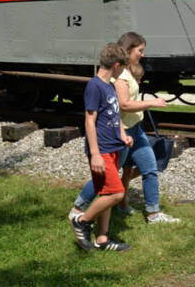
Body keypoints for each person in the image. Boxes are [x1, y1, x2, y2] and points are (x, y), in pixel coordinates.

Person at [70, 32, 179, 224]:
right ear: (129, 50)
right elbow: (124, 104)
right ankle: (79, 207)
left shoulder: (127, 71)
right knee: (106, 176)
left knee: (150, 169)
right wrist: (152, 102)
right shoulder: (120, 77)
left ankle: (153, 214)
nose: (142, 55)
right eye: (140, 50)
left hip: (135, 129)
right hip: (123, 132)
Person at [69, 42, 133, 252]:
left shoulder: (110, 86)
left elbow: (113, 115)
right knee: (116, 193)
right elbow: (89, 121)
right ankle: (82, 220)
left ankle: (102, 240)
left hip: (113, 147)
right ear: (116, 65)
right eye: (123, 67)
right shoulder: (95, 86)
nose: (123, 71)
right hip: (102, 150)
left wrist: (123, 135)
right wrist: (95, 154)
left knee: (106, 194)